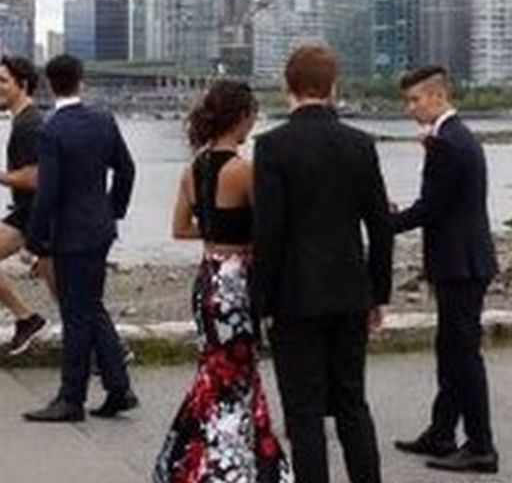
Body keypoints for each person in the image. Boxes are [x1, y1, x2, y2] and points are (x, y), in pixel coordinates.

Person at [253, 45, 393, 483]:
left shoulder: (272, 146)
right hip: (351, 292)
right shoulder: (360, 143)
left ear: (286, 86)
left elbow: (269, 232)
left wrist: (263, 301)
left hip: (295, 297)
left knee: (304, 412)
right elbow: (380, 226)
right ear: (334, 87)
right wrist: (378, 293)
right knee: (353, 402)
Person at [153, 81, 292, 482]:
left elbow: (179, 228)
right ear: (243, 117)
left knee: (213, 370)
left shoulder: (192, 168)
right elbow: (270, 230)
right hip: (236, 281)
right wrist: (240, 244)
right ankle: (228, 467)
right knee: (238, 374)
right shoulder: (244, 170)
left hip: (207, 276)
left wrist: (215, 237)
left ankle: (191, 460)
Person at [391, 66, 499, 474]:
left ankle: (481, 445)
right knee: (450, 349)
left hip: (460, 263)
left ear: (438, 97)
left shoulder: (449, 143)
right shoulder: (453, 137)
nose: (410, 107)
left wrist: (382, 224)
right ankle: (441, 432)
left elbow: (429, 208)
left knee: (462, 355)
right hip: (465, 260)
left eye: (415, 99)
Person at [23, 54, 137, 423]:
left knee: (76, 314)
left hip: (70, 234)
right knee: (91, 306)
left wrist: (34, 239)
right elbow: (126, 169)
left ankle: (71, 398)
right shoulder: (103, 121)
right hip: (100, 228)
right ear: (81, 81)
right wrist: (113, 209)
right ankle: (118, 388)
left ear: (48, 84)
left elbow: (48, 191)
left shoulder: (52, 130)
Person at [0, 55, 56, 355]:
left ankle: (105, 351)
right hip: (32, 213)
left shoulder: (29, 124)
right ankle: (28, 319)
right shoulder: (25, 120)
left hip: (34, 214)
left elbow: (34, 178)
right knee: (65, 294)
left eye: (4, 80)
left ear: (23, 85)